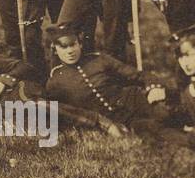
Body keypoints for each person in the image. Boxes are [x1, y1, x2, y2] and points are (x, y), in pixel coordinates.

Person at [42, 23, 175, 140]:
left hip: (133, 101)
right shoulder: (55, 80)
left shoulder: (99, 59)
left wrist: (153, 87)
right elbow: (63, 112)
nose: (70, 51)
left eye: (73, 45)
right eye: (64, 47)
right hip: (113, 120)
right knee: (151, 129)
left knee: (166, 113)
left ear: (80, 44)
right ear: (55, 49)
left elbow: (137, 75)